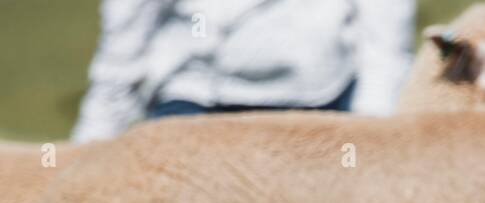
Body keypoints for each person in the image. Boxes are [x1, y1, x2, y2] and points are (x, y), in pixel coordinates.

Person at [71, 0, 415, 142]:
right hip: (192, 101)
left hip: (323, 101)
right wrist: (87, 149)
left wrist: (372, 137)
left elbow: (386, 39)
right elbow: (126, 34)